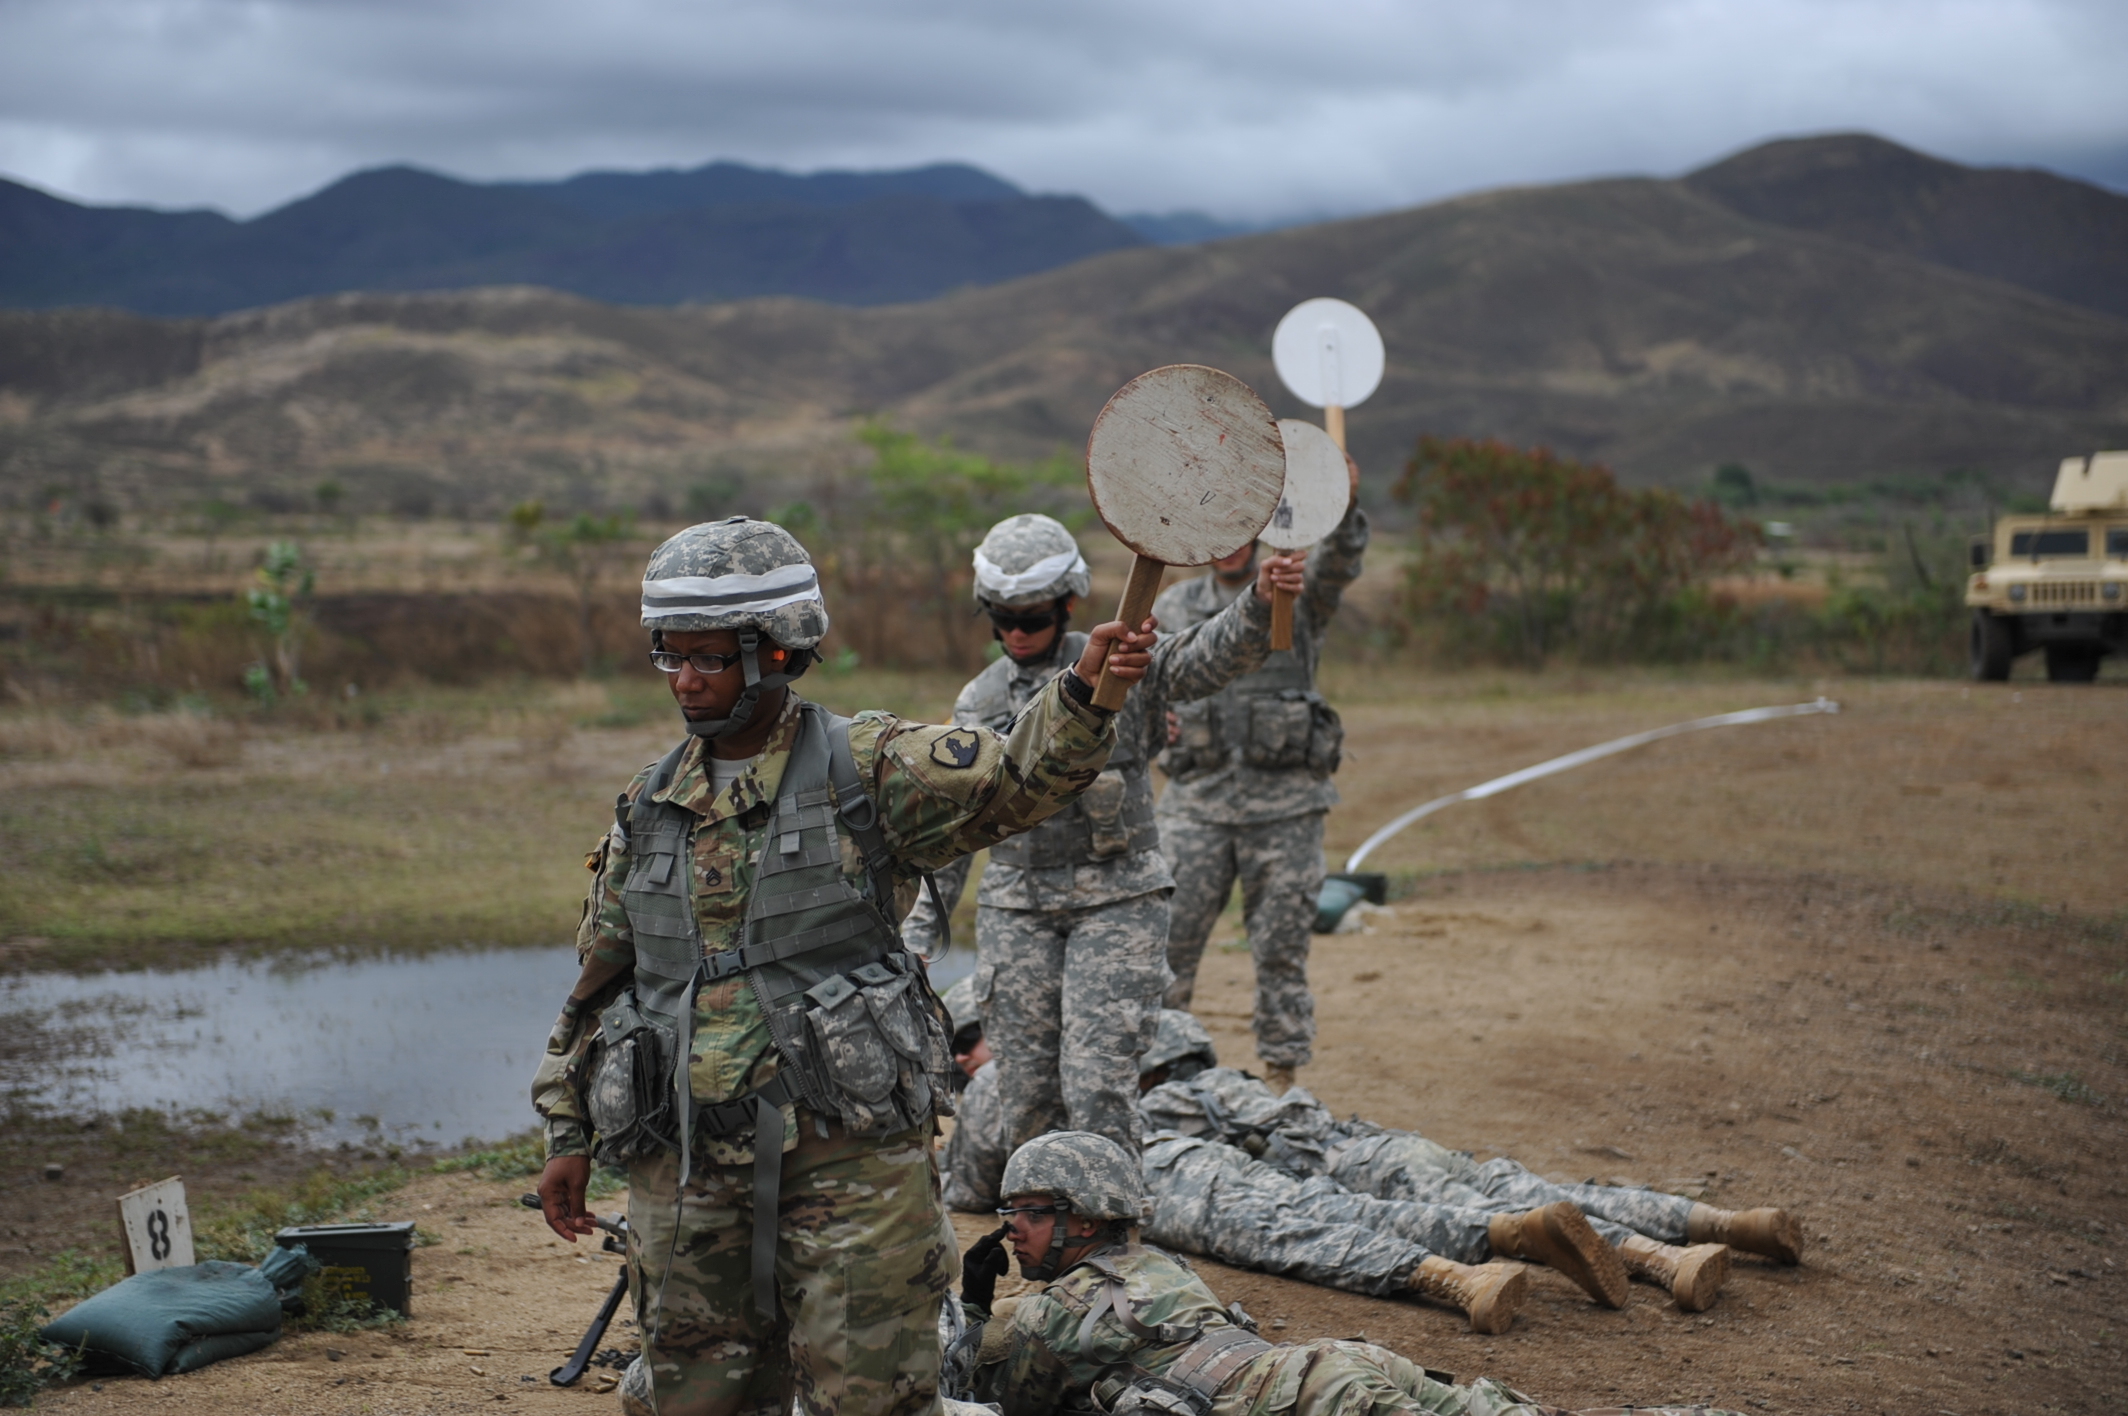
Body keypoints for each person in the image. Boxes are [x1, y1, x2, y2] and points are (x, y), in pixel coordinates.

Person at [528, 515, 1158, 1416]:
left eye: (710, 657)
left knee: (868, 1393)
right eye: (670, 655)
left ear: (778, 652)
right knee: (693, 1396)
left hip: (849, 1164)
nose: (685, 679)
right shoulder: (650, 804)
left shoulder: (867, 768)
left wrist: (1086, 691)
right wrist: (567, 1132)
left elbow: (1017, 777)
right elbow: (601, 980)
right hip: (684, 1165)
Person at [900, 513, 1304, 1192]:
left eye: (1032, 617)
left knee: (1098, 1083)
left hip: (1118, 900)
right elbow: (957, 821)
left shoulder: (1126, 658)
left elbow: (1206, 656)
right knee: (1026, 1090)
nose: (1017, 633)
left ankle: (1111, 1235)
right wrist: (918, 935)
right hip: (1018, 909)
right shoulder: (981, 699)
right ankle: (1044, 1239)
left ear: (1067, 604)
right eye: (1002, 619)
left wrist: (1261, 602)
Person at [950, 1132, 1743, 1416]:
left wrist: (975, 1308)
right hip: (1335, 1367)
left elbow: (979, 1391)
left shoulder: (1061, 1315)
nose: (1010, 1226)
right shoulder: (1158, 1266)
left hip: (1311, 1398)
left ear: (1085, 1220)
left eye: (1030, 1212)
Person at [1152, 451, 1367, 1092]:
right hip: (1195, 807)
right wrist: (1155, 723)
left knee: (1281, 952)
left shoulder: (1297, 593)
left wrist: (1346, 504)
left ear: (1261, 530)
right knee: (1165, 952)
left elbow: (1341, 563)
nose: (1231, 546)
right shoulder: (1177, 606)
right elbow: (1151, 679)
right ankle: (1161, 1076)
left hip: (1286, 809)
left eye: (1243, 529)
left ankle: (1280, 1080)